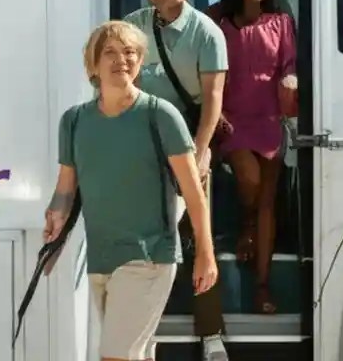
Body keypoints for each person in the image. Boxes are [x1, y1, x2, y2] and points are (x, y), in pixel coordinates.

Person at [44, 20, 218, 361]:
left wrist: (205, 255)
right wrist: (54, 220)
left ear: (140, 62)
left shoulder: (160, 115)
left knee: (115, 356)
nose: (121, 59)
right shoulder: (75, 121)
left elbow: (194, 193)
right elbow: (65, 187)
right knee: (134, 354)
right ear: (93, 64)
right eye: (109, 52)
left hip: (149, 257)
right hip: (101, 257)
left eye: (130, 52)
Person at [124, 0, 230, 361]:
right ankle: (144, 332)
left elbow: (213, 99)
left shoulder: (206, 33)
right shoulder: (133, 25)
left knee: (199, 238)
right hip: (144, 148)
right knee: (146, 241)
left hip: (188, 145)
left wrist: (201, 153)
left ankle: (211, 333)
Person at [206, 0, 297, 315]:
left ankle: (261, 286)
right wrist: (215, 113)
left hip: (269, 120)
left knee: (267, 204)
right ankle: (244, 225)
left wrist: (291, 81)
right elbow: (205, 68)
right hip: (232, 120)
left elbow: (288, 65)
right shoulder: (217, 19)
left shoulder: (281, 22)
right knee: (250, 180)